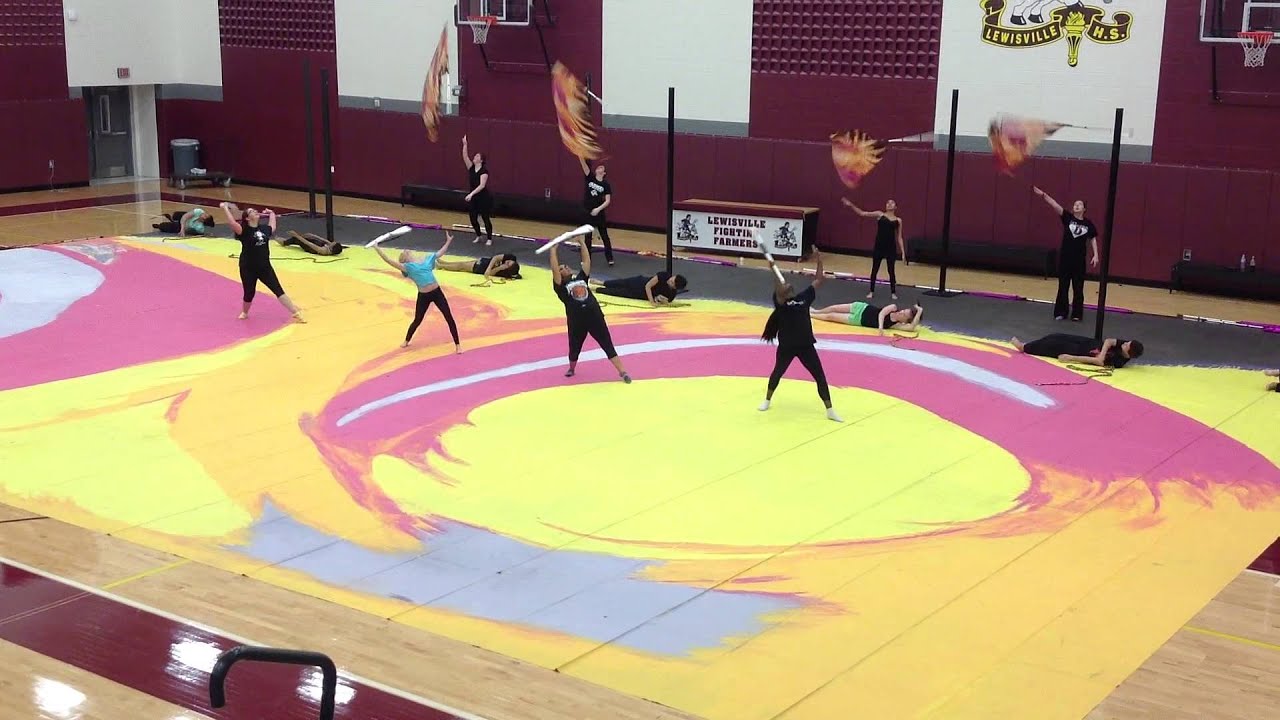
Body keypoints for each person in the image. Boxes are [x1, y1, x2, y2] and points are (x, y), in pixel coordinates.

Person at [759, 250, 842, 422]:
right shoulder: (780, 304)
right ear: (781, 293)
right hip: (787, 347)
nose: (787, 284)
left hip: (806, 346)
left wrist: (820, 261)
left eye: (788, 284)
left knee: (820, 376)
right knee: (777, 373)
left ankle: (830, 410)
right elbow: (777, 286)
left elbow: (819, 280)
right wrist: (773, 269)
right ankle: (767, 399)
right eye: (784, 285)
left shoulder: (803, 298)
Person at [549, 236, 632, 383]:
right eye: (562, 268)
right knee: (574, 347)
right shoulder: (560, 287)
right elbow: (554, 270)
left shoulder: (581, 278)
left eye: (565, 266)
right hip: (577, 321)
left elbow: (587, 262)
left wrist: (582, 243)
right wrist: (553, 251)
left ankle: (623, 371)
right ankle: (572, 368)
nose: (565, 268)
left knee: (607, 343)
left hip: (595, 317)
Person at [374, 231, 461, 352]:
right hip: (424, 296)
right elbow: (388, 260)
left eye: (407, 251)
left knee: (448, 316)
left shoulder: (427, 260)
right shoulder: (407, 267)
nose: (407, 251)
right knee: (418, 320)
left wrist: (448, 242)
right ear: (406, 259)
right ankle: (406, 340)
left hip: (437, 293)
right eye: (405, 253)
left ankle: (457, 345)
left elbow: (440, 252)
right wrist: (377, 248)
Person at [219, 203, 304, 322]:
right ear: (248, 218)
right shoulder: (244, 230)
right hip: (248, 267)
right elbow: (232, 223)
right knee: (249, 293)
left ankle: (295, 312)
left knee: (277, 289)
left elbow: (272, 226)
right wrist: (224, 208)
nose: (255, 212)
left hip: (264, 267)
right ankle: (245, 312)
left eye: (255, 210)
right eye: (252, 212)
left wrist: (272, 213)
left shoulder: (264, 229)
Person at [1033, 185, 1099, 322]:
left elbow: (1093, 238)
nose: (1076, 206)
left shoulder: (1088, 223)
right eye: (1075, 204)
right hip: (1065, 260)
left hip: (1079, 261)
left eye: (1079, 204)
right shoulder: (1068, 218)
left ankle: (1076, 314)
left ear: (1084, 209)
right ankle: (1061, 312)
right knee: (1063, 286)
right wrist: (1043, 195)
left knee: (1078, 288)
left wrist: (1096, 255)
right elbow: (1054, 204)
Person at [842, 198, 905, 299]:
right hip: (879, 246)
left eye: (892, 203)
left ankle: (893, 292)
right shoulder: (879, 214)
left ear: (895, 207)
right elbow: (863, 213)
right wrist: (851, 205)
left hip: (891, 248)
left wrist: (903, 252)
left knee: (891, 270)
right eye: (887, 202)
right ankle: (871, 291)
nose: (889, 204)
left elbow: (899, 237)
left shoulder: (898, 221)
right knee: (875, 269)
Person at [1010, 333, 1144, 368]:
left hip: (1079, 351)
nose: (1125, 343)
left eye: (1127, 345)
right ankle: (1029, 345)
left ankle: (1024, 347)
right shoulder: (1121, 345)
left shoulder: (1118, 361)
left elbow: (1096, 362)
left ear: (1129, 352)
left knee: (1052, 345)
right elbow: (1109, 341)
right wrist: (1102, 355)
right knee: (1054, 336)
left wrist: (1071, 357)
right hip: (1087, 342)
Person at [810, 300, 922, 336]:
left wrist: (919, 311)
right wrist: (881, 328)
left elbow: (912, 327)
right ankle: (816, 311)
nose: (901, 312)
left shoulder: (896, 325)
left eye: (904, 315)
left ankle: (811, 314)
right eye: (903, 311)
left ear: (904, 321)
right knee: (834, 307)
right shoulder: (893, 307)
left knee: (831, 316)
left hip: (859, 320)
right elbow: (882, 313)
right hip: (862, 308)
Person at [580, 157, 614, 265]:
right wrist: (580, 155)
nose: (598, 168)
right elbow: (584, 166)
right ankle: (587, 259)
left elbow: (607, 201)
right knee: (588, 237)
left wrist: (598, 209)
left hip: (599, 213)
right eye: (598, 167)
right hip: (589, 212)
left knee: (604, 236)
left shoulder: (605, 185)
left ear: (604, 173)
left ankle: (610, 258)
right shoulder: (590, 178)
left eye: (601, 167)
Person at [462, 135, 494, 246]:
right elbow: (465, 157)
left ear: (481, 160)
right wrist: (465, 145)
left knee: (485, 218)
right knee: (473, 218)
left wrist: (471, 194)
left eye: (476, 156)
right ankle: (479, 235)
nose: (474, 157)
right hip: (473, 198)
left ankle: (489, 238)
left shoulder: (484, 171)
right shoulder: (471, 168)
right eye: (475, 156)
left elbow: (482, 186)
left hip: (483, 198)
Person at [590, 271, 687, 306]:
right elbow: (648, 286)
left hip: (640, 294)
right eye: (672, 279)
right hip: (640, 282)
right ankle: (601, 282)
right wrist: (651, 301)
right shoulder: (664, 275)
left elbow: (666, 301)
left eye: (672, 283)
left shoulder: (671, 294)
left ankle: (596, 289)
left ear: (674, 287)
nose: (670, 280)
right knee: (620, 282)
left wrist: (660, 300)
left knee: (617, 292)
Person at [435, 253, 521, 282]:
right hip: (486, 262)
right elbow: (496, 257)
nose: (507, 261)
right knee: (462, 263)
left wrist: (500, 268)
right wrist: (489, 268)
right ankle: (445, 263)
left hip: (481, 268)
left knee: (461, 266)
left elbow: (490, 273)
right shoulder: (512, 257)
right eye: (509, 261)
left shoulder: (504, 271)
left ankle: (442, 266)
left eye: (508, 264)